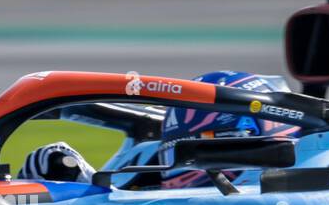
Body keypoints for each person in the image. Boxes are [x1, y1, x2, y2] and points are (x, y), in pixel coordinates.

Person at [18, 71, 295, 188]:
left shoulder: (315, 186)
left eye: (207, 142)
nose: (182, 161)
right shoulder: (146, 167)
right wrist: (73, 190)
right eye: (176, 145)